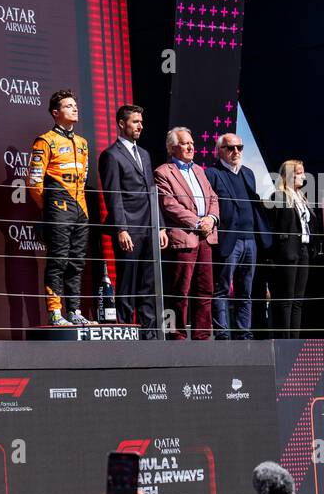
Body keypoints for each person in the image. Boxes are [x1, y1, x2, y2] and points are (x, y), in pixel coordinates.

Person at [98, 104, 167, 335]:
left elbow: (151, 191)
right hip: (129, 229)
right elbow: (113, 195)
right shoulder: (111, 155)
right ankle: (126, 329)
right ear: (121, 124)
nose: (140, 126)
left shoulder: (145, 154)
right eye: (135, 122)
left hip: (149, 227)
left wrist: (161, 227)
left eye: (141, 122)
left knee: (148, 283)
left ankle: (149, 333)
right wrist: (121, 229)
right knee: (127, 283)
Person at [27, 91, 93, 326]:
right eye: (68, 106)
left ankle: (74, 311)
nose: (75, 109)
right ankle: (55, 313)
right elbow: (34, 182)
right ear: (56, 113)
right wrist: (51, 208)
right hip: (58, 208)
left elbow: (84, 178)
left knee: (77, 261)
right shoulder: (45, 141)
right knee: (58, 260)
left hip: (81, 209)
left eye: (75, 105)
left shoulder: (83, 143)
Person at [155, 128, 219, 339]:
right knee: (179, 291)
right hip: (184, 237)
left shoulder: (200, 170)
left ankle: (202, 337)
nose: (191, 147)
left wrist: (211, 219)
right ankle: (176, 336)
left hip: (206, 237)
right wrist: (197, 222)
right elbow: (169, 204)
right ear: (172, 148)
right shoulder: (163, 172)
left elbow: (213, 198)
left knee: (205, 290)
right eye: (185, 143)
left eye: (192, 143)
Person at [204, 133, 262, 340]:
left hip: (250, 240)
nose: (236, 151)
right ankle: (222, 334)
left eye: (239, 147)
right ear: (220, 151)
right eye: (231, 148)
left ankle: (244, 333)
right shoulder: (212, 173)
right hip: (229, 240)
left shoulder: (248, 173)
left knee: (245, 291)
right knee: (221, 289)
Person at [268, 159, 318, 338]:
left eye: (303, 172)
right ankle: (284, 341)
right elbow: (274, 227)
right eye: (299, 173)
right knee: (286, 298)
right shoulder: (279, 196)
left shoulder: (302, 197)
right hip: (287, 252)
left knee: (298, 299)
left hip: (303, 250)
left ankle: (294, 342)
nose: (303, 176)